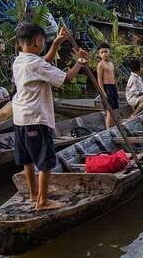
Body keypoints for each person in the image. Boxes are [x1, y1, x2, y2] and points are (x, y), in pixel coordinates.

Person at [12, 23, 87, 210]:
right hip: (36, 118)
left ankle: (34, 194)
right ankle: (43, 201)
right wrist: (80, 62)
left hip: (20, 118)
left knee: (28, 160)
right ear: (37, 41)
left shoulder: (20, 60)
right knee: (45, 162)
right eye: (44, 42)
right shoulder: (36, 64)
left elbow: (44, 62)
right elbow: (66, 79)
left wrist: (56, 44)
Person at [96, 43, 119, 130]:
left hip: (112, 87)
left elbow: (114, 77)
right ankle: (108, 129)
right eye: (102, 52)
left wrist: (116, 89)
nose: (104, 54)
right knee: (110, 109)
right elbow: (99, 80)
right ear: (99, 54)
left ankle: (112, 127)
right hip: (106, 87)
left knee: (114, 109)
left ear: (109, 52)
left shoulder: (111, 64)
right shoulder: (100, 65)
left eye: (106, 51)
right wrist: (103, 92)